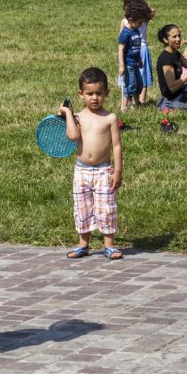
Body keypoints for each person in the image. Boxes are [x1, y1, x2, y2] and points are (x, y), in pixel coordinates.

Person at [60, 67, 123, 261]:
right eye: (89, 94)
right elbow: (72, 136)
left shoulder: (109, 118)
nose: (94, 98)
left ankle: (109, 245)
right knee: (82, 207)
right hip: (82, 171)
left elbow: (116, 145)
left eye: (99, 93)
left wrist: (118, 171)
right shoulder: (78, 117)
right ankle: (83, 244)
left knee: (106, 207)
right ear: (81, 94)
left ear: (106, 94)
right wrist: (67, 113)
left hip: (104, 171)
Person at [154, 24, 187, 111]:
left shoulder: (175, 53)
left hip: (183, 92)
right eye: (174, 37)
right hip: (175, 100)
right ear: (166, 40)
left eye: (179, 35)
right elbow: (172, 87)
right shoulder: (166, 59)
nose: (178, 39)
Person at [117, 0, 155, 104]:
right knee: (132, 78)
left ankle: (140, 100)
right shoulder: (143, 18)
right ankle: (132, 101)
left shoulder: (142, 18)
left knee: (140, 78)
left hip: (140, 50)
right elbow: (121, 39)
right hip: (133, 51)